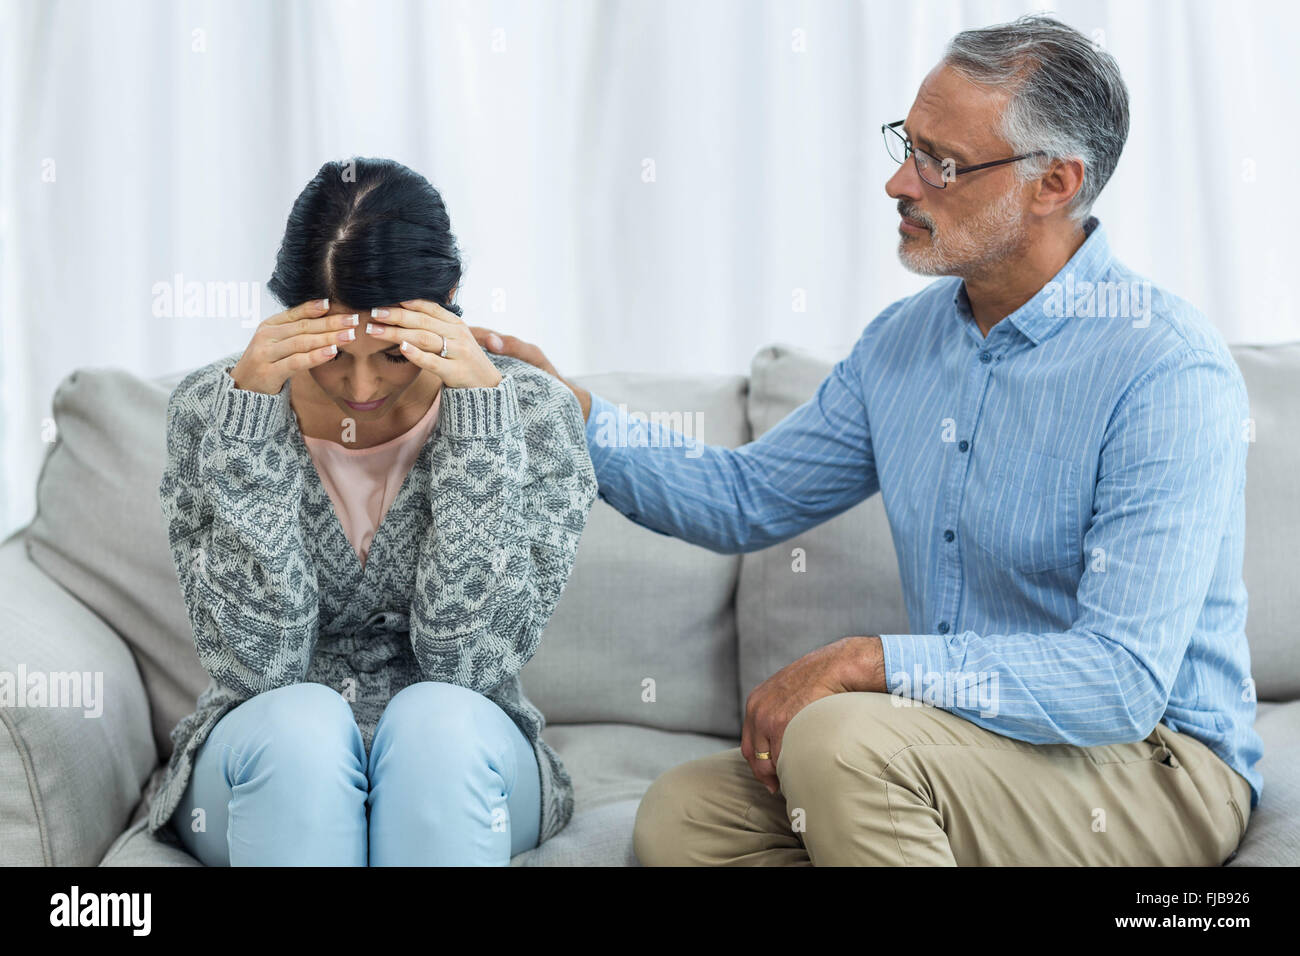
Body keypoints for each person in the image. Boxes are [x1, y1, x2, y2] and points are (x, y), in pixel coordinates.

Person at [470, 15, 1263, 865]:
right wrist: (569, 412)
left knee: (841, 742)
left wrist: (869, 661)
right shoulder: (904, 344)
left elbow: (1119, 682)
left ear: (1054, 184)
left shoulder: (1165, 367)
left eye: (941, 162)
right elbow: (745, 498)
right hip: (961, 750)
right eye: (907, 144)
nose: (899, 183)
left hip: (1154, 763)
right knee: (684, 818)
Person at [145, 157, 597, 865]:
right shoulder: (214, 411)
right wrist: (249, 427)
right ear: (286, 313)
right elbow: (259, 669)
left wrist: (480, 424)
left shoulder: (532, 413)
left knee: (436, 725)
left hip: (465, 760)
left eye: (393, 355)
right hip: (267, 763)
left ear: (448, 303)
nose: (361, 387)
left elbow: (469, 664)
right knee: (298, 726)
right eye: (332, 355)